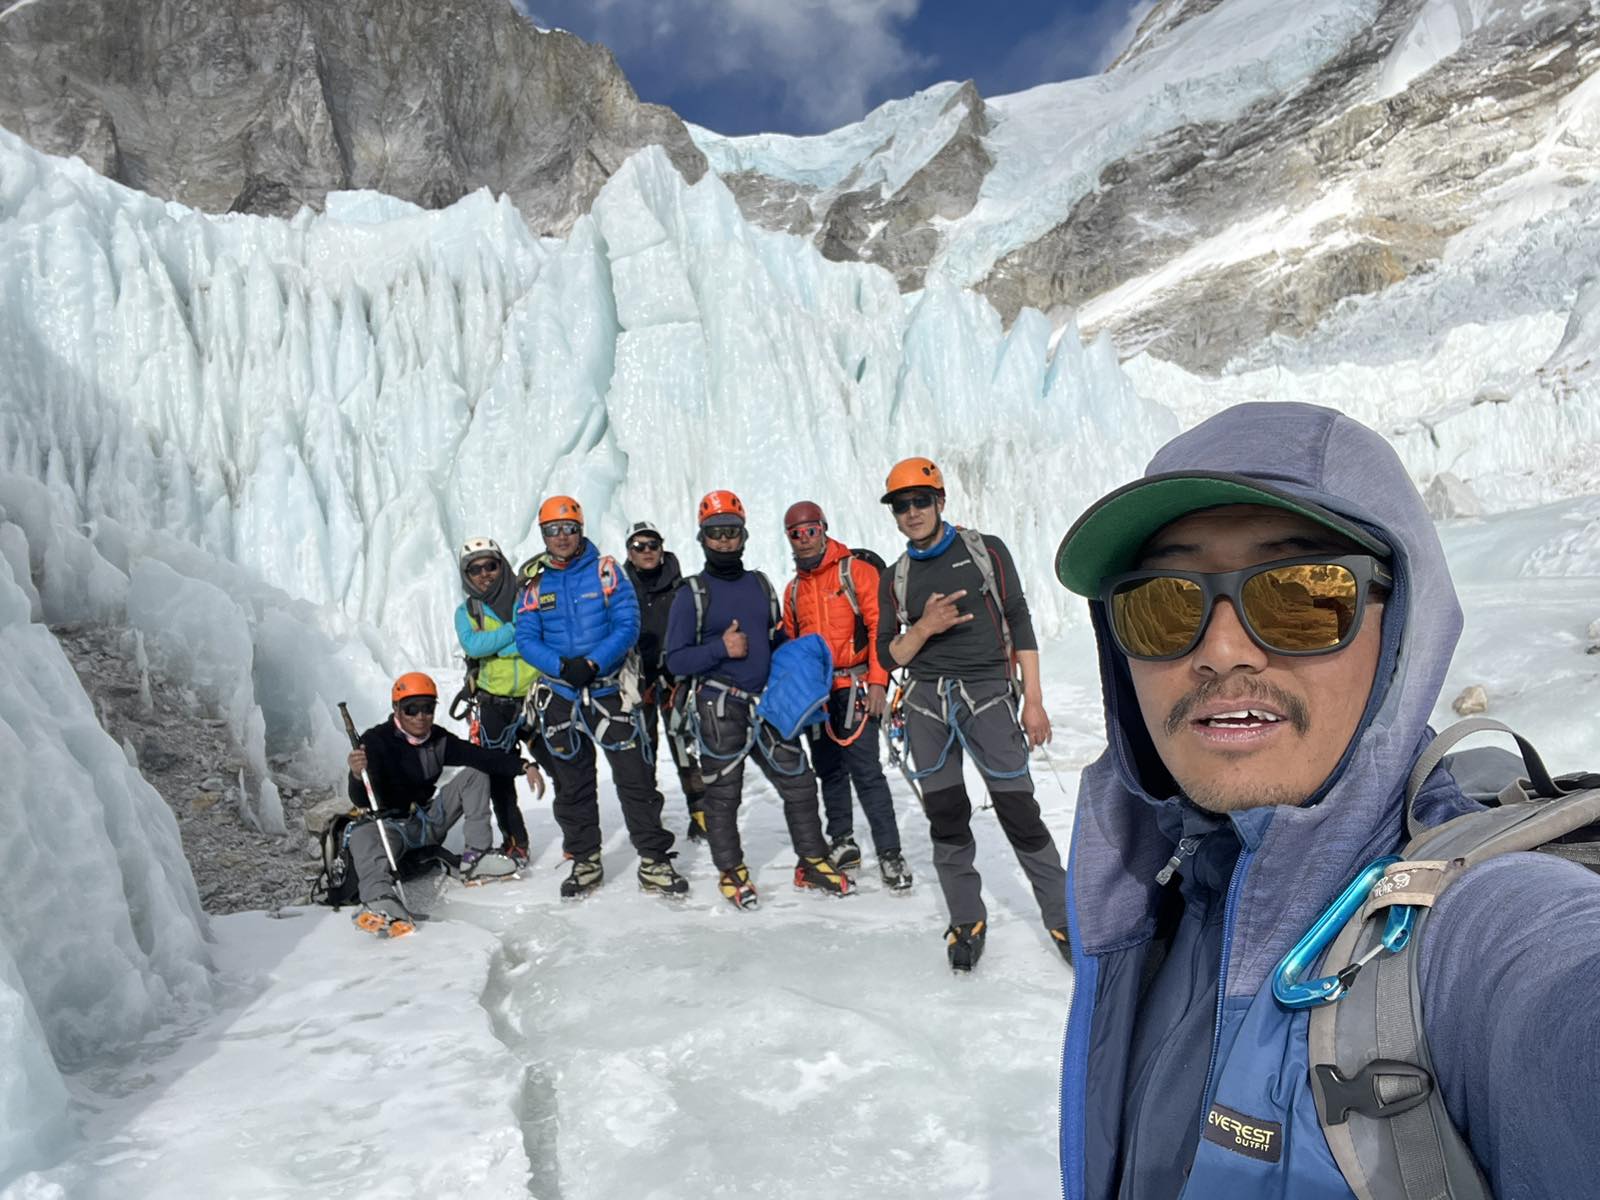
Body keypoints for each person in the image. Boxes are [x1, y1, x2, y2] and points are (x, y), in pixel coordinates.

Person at [1051, 401, 1600, 1199]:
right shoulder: (1168, 887)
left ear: (1404, 629)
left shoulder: (1479, 933)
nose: (1221, 649)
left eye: (1303, 595)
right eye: (1163, 603)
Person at [876, 457, 1069, 971]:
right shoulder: (896, 577)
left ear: (940, 501)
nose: (912, 512)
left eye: (920, 500)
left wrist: (1033, 699)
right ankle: (966, 916)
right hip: (925, 705)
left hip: (988, 697)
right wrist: (925, 628)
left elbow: (1018, 619)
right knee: (946, 816)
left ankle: (1063, 916)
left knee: (1020, 812)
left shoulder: (985, 552)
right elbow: (886, 655)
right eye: (902, 505)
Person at [663, 489, 851, 909]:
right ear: (703, 539)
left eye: (731, 531)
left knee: (800, 783)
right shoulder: (691, 593)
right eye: (715, 533)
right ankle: (732, 872)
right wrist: (719, 650)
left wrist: (801, 658)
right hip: (719, 708)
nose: (725, 540)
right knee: (723, 795)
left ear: (744, 535)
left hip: (765, 704)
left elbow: (772, 636)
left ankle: (813, 860)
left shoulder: (759, 584)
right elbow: (674, 661)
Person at [513, 496, 686, 899]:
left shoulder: (606, 572)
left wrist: (592, 663)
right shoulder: (535, 585)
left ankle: (654, 860)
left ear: (580, 530)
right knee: (572, 784)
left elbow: (628, 623)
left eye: (568, 529)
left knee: (635, 778)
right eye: (552, 530)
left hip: (608, 690)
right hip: (560, 696)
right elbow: (525, 638)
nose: (561, 537)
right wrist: (561, 667)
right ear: (543, 534)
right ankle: (585, 858)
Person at [780, 500, 911, 890]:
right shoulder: (793, 591)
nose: (804, 539)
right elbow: (792, 644)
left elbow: (878, 630)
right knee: (829, 771)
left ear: (823, 528)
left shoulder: (856, 572)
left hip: (855, 687)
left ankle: (890, 852)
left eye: (810, 531)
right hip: (819, 695)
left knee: (867, 772)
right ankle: (843, 841)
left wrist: (877, 684)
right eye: (796, 534)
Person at [345, 672, 537, 935]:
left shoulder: (438, 739)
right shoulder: (376, 742)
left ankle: (476, 857)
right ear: (397, 709)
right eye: (411, 709)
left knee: (475, 774)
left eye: (427, 708)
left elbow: (481, 757)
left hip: (427, 821)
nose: (420, 716)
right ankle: (381, 900)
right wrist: (357, 775)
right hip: (391, 828)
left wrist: (523, 765)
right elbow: (359, 797)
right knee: (362, 835)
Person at [453, 536, 549, 866]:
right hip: (494, 703)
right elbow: (475, 646)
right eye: (475, 569)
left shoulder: (528, 597)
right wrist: (514, 632)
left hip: (538, 697)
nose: (484, 574)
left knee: (565, 766)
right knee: (499, 779)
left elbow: (537, 635)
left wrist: (497, 643)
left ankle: (580, 841)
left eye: (490, 566)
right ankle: (515, 842)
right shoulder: (467, 611)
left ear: (501, 565)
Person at [620, 519, 708, 841]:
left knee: (685, 745)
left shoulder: (680, 586)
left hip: (675, 680)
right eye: (638, 546)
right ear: (629, 551)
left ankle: (701, 813)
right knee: (643, 751)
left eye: (652, 545)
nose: (646, 551)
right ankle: (649, 820)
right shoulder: (619, 588)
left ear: (662, 547)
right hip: (637, 681)